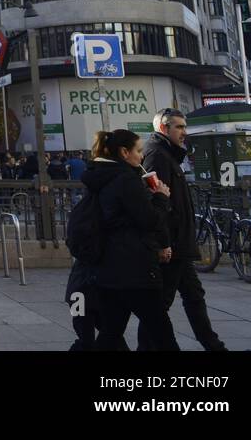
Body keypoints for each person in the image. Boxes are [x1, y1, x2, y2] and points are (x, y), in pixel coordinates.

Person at [138, 108, 226, 351]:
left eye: (184, 127)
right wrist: (164, 243)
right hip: (172, 246)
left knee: (194, 297)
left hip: (180, 244)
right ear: (164, 128)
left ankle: (215, 347)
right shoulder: (157, 155)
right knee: (160, 305)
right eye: (179, 127)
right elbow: (159, 204)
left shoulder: (168, 154)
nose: (184, 132)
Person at [83, 128, 178, 351]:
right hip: (135, 268)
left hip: (108, 266)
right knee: (162, 334)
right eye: (138, 151)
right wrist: (162, 198)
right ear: (124, 152)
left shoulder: (101, 177)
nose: (141, 156)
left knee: (110, 333)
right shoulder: (126, 180)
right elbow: (149, 220)